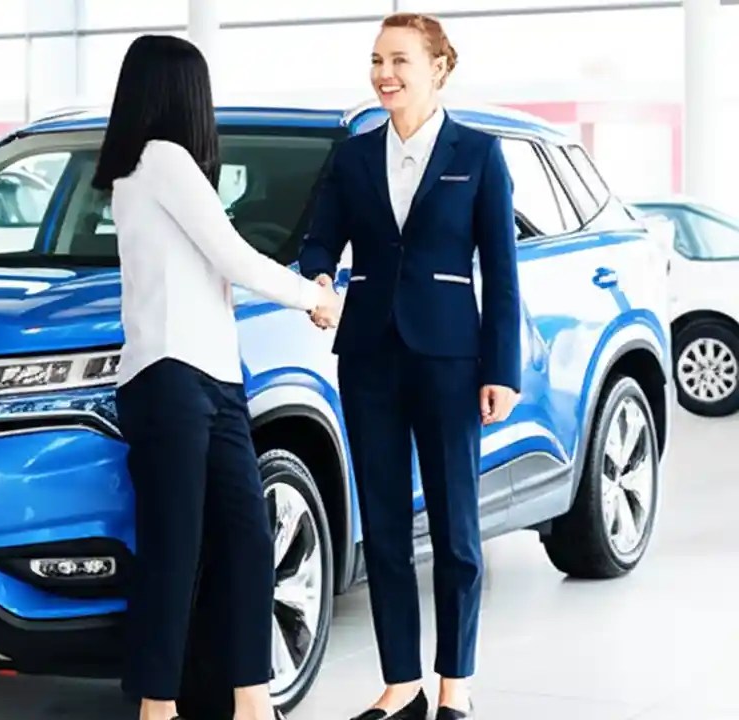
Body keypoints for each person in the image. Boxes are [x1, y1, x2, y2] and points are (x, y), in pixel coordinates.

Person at [91, 34, 338, 720]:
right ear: (181, 94)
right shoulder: (162, 160)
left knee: (248, 537)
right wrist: (314, 297)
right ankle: (158, 710)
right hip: (170, 378)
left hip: (214, 383)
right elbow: (232, 255)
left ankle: (252, 703)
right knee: (175, 550)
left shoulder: (148, 172)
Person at [299, 12, 519, 720]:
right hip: (368, 357)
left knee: (456, 531)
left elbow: (503, 273)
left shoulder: (479, 154)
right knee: (384, 527)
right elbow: (319, 239)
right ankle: (402, 686)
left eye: (398, 60)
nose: (384, 74)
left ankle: (456, 684)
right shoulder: (354, 154)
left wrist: (502, 369)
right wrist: (320, 280)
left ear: (438, 68)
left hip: (452, 359)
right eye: (375, 61)